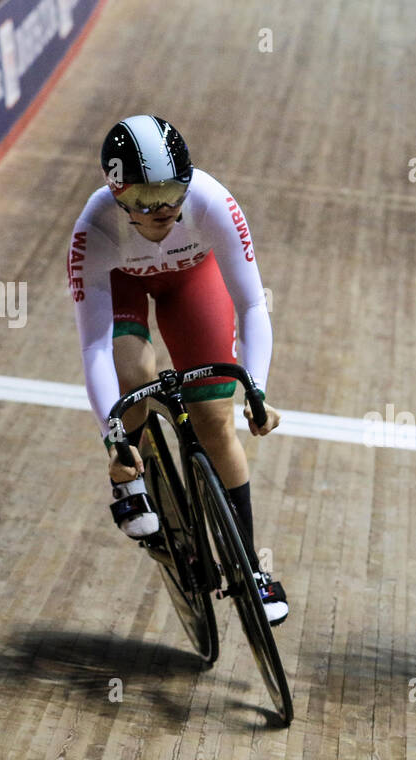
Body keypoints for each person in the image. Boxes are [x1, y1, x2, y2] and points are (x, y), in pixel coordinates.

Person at [67, 115, 287, 624]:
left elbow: (252, 304)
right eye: (146, 199)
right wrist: (113, 438)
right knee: (134, 371)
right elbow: (94, 347)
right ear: (118, 195)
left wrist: (256, 389)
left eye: (171, 193)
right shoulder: (94, 230)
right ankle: (132, 477)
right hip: (122, 285)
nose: (163, 209)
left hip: (191, 280)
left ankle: (250, 567)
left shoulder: (211, 201)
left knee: (215, 421)